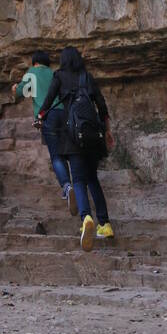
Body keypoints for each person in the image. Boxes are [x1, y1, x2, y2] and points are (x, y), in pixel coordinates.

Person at [36, 46, 115, 251]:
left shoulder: (60, 76)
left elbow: (48, 100)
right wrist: (107, 131)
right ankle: (105, 224)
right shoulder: (87, 77)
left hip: (74, 136)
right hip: (94, 136)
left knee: (78, 179)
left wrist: (40, 116)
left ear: (63, 60)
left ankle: (86, 218)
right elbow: (102, 106)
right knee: (93, 179)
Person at [14, 50, 77, 216]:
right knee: (64, 154)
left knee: (55, 156)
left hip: (46, 115)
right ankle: (71, 188)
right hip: (63, 114)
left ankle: (66, 186)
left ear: (35, 62)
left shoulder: (32, 73)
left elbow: (23, 92)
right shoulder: (53, 73)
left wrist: (15, 88)